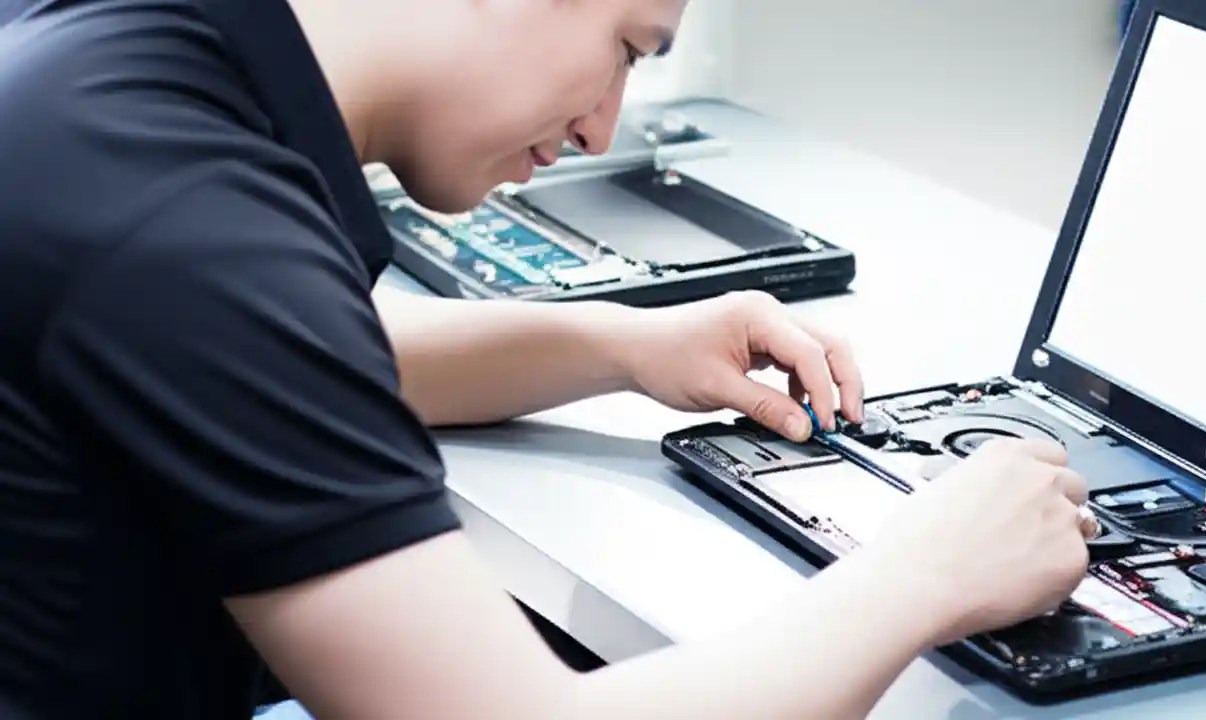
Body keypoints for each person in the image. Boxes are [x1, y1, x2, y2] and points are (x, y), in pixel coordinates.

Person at [0, 0, 1093, 717]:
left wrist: (620, 342)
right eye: (625, 47)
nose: (602, 132)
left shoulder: (131, 67)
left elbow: (280, 362)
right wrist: (922, 576)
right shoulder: (182, 215)